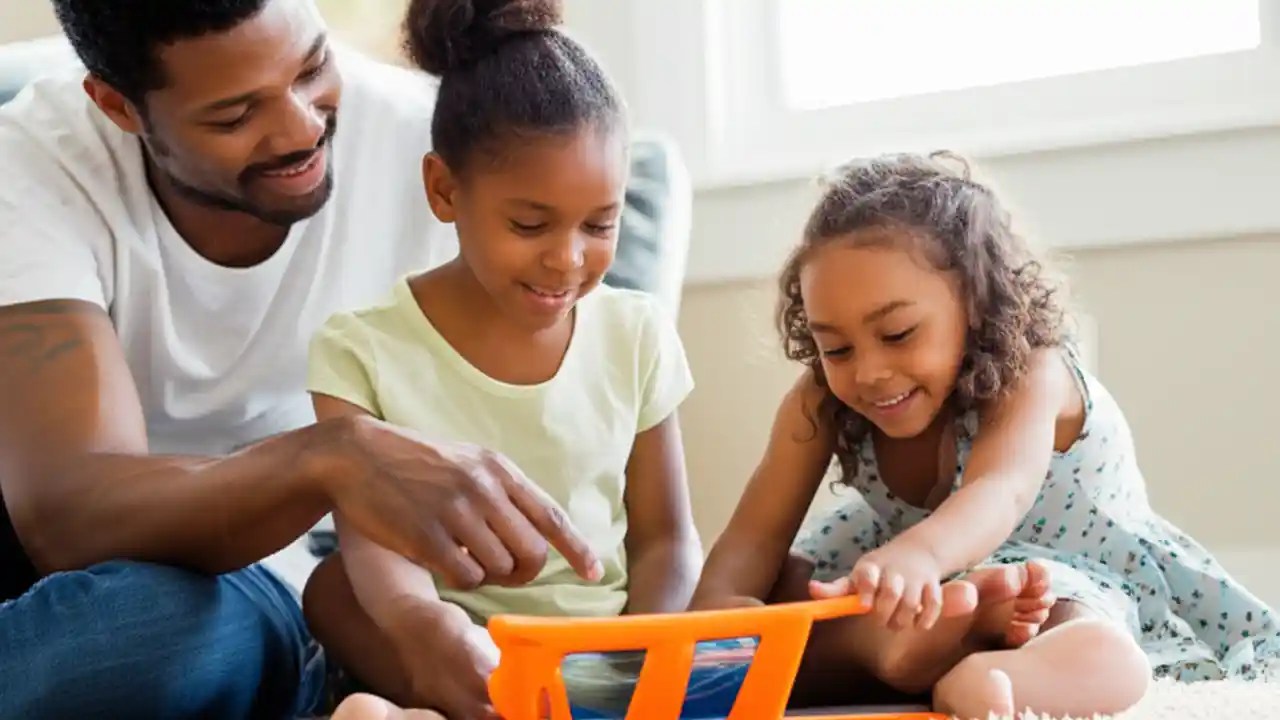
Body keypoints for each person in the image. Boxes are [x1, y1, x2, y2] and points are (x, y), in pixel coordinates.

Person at [0, 1, 607, 717]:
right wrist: (331, 459)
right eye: (232, 116)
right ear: (118, 107)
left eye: (314, 68)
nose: (300, 128)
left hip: (291, 585)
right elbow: (67, 512)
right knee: (113, 633)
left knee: (127, 640)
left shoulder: (440, 148)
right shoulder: (33, 167)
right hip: (126, 558)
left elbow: (582, 434)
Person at [690, 150, 1280, 717]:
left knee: (1071, 616)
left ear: (976, 305)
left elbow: (998, 493)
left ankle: (1003, 670)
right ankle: (903, 643)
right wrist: (716, 613)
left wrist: (917, 556)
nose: (867, 371)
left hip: (1055, 570)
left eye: (896, 334)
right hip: (927, 572)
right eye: (836, 347)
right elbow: (754, 534)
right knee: (792, 583)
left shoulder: (1032, 371)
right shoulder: (818, 400)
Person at [300, 1, 704, 718]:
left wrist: (646, 658)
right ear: (444, 190)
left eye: (600, 224)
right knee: (330, 589)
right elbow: (376, 552)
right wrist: (436, 633)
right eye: (530, 224)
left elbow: (667, 537)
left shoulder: (634, 333)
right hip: (449, 657)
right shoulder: (360, 349)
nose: (568, 259)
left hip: (603, 657)